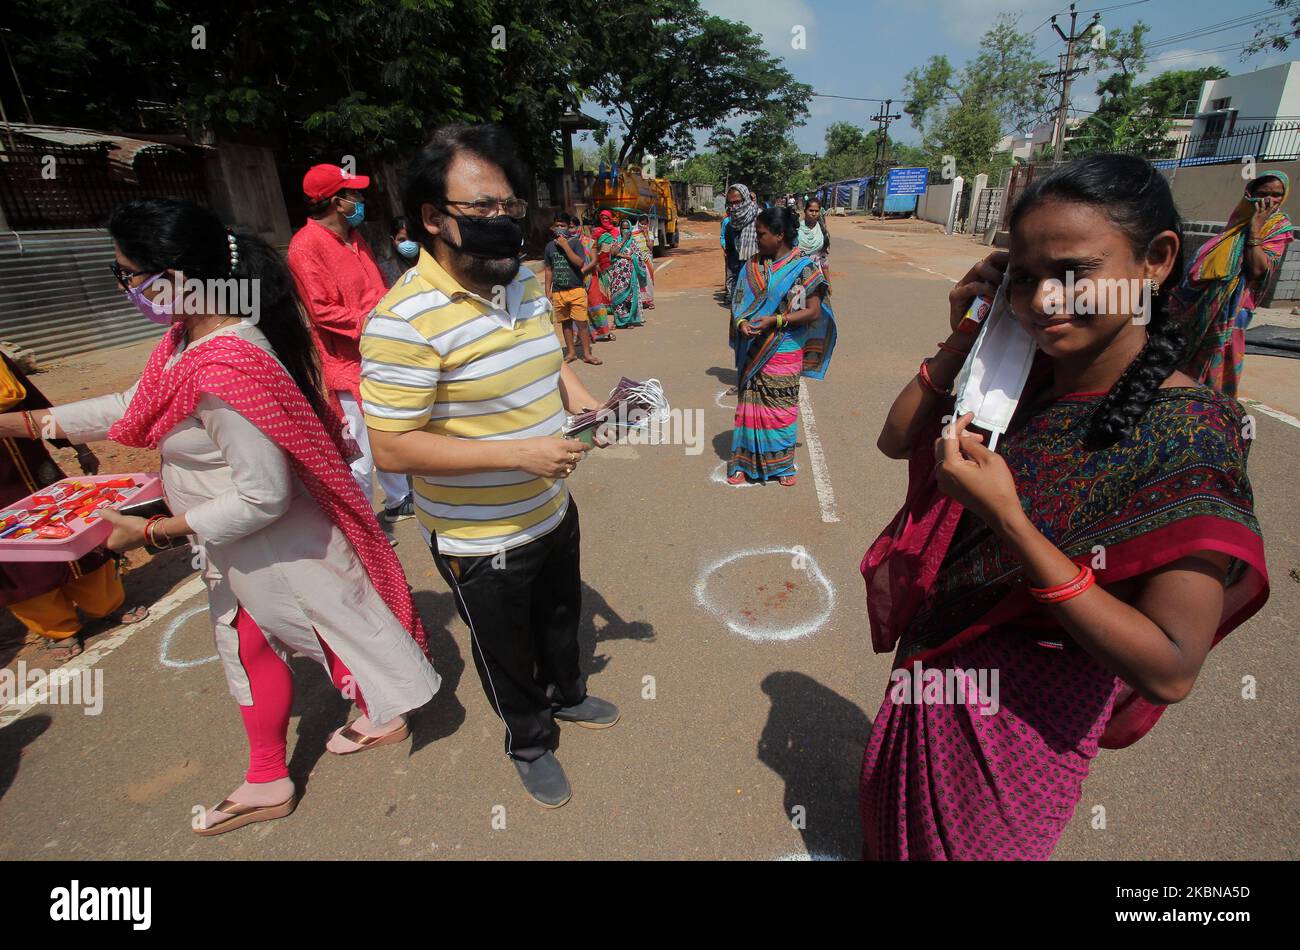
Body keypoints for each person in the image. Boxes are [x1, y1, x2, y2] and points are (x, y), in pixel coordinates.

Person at [861, 155, 1268, 860]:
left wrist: (1011, 522)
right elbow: (896, 438)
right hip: (935, 669)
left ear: (1157, 261)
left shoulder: (1190, 435)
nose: (1046, 300)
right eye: (1026, 277)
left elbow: (1171, 666)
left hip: (1024, 724)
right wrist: (970, 334)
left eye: (1075, 273)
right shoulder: (1016, 379)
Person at [0, 198, 439, 835]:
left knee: (292, 634)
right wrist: (33, 423)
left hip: (268, 542)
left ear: (174, 275)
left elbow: (264, 495)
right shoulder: (188, 340)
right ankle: (292, 760)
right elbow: (139, 402)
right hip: (244, 545)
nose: (126, 288)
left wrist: (150, 532)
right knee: (289, 636)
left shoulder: (228, 366)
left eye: (127, 274)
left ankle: (280, 770)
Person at [359, 123, 619, 809]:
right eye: (482, 210)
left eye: (510, 207)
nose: (503, 222)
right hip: (480, 535)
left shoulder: (525, 283)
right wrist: (517, 453)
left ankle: (567, 696)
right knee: (505, 646)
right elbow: (392, 446)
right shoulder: (402, 321)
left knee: (563, 617)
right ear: (432, 218)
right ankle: (529, 739)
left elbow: (552, 355)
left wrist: (583, 397)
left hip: (551, 507)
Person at [286, 163, 414, 528]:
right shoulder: (305, 247)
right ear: (335, 202)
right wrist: (370, 323)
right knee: (359, 449)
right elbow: (322, 310)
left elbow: (376, 289)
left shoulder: (354, 238)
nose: (360, 200)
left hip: (380, 351)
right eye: (353, 194)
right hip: (346, 363)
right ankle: (360, 527)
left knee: (387, 429)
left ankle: (398, 499)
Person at [0, 353, 148, 662]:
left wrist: (79, 447)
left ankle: (108, 605)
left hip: (36, 472)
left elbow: (40, 408)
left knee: (76, 528)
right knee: (17, 560)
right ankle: (58, 629)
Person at [727, 206, 836, 486]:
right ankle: (744, 462)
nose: (757, 240)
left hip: (785, 346)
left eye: (762, 234)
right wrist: (742, 324)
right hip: (754, 345)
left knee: (781, 406)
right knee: (750, 403)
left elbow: (813, 311)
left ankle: (782, 464)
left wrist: (776, 320)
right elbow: (738, 303)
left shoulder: (805, 267)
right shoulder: (752, 266)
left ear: (778, 235)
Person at [1170, 171, 1295, 396]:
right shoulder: (1238, 222)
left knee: (1219, 357)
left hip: (1234, 307)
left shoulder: (1278, 228)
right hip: (1204, 301)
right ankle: (1181, 396)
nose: (1269, 200)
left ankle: (1212, 405)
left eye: (1276, 195)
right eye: (1263, 193)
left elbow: (1258, 270)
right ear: (1250, 194)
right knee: (1184, 352)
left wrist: (1256, 230)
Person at [544, 212, 600, 365]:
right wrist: (547, 290)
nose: (560, 228)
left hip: (576, 289)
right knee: (565, 323)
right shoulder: (549, 247)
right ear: (553, 228)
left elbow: (579, 262)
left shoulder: (575, 243)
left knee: (581, 323)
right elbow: (549, 269)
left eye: (563, 226)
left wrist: (565, 246)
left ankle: (587, 354)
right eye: (557, 226)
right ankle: (571, 352)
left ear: (569, 227)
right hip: (558, 291)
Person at [723, 184, 759, 300]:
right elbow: (731, 258)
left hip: (759, 277)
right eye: (731, 203)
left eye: (738, 202)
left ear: (746, 199)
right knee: (738, 312)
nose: (734, 207)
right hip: (739, 280)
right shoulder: (729, 225)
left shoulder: (760, 218)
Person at [609, 218, 646, 329]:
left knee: (629, 297)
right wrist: (624, 241)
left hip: (630, 273)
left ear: (630, 229)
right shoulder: (616, 240)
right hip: (617, 274)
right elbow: (613, 252)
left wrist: (625, 256)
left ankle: (629, 320)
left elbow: (638, 257)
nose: (625, 230)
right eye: (622, 228)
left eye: (627, 228)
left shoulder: (634, 243)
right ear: (619, 229)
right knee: (617, 297)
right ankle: (617, 321)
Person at [378, 214, 421, 287]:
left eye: (412, 238)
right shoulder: (387, 270)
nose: (408, 243)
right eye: (402, 240)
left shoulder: (429, 260)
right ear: (393, 241)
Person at [797, 197, 830, 272]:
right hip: (799, 273)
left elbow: (824, 260)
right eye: (811, 210)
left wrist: (828, 283)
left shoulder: (822, 231)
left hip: (817, 275)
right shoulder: (797, 230)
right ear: (805, 211)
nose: (814, 214)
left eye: (816, 211)